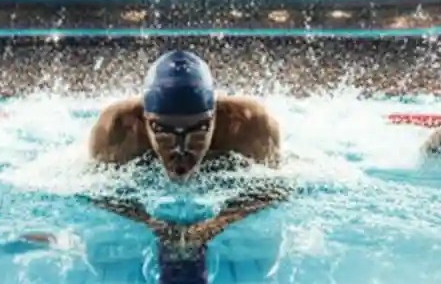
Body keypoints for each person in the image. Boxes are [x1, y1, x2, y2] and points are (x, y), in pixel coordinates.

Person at [84, 50, 289, 251]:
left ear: (215, 118)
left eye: (198, 130)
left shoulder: (250, 125)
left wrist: (216, 224)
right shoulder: (117, 128)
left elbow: (276, 188)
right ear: (144, 120)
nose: (180, 147)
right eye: (163, 131)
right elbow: (95, 190)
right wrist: (150, 222)